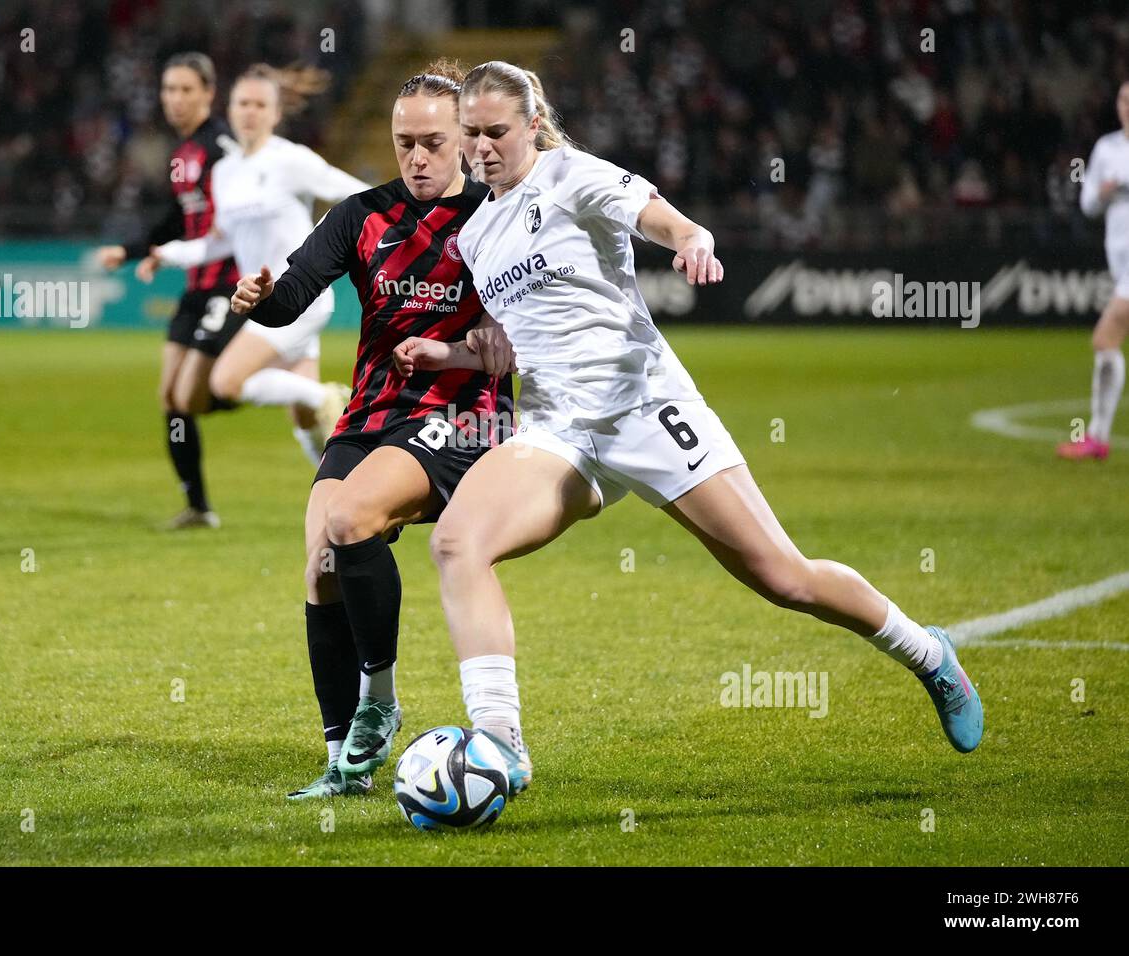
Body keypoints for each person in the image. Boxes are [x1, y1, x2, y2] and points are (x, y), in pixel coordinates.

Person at [395, 61, 984, 796]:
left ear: (533, 126)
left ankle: (929, 655)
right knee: (457, 542)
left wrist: (690, 238)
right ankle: (502, 745)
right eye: (470, 134)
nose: (481, 147)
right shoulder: (479, 233)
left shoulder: (570, 175)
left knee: (783, 577)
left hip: (644, 408)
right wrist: (449, 352)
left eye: (495, 132)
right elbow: (510, 343)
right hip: (559, 430)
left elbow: (655, 212)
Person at [229, 61, 517, 800]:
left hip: (463, 416)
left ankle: (380, 702)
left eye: (432, 142)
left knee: (351, 518)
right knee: (321, 560)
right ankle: (344, 761)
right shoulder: (362, 215)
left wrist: (489, 337)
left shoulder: (497, 216)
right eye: (403, 143)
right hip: (373, 413)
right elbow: (292, 295)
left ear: (463, 141)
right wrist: (257, 300)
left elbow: (528, 320)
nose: (417, 158)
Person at [150, 63, 368, 465]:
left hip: (300, 297)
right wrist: (167, 254)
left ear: (275, 113)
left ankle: (326, 396)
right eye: (243, 103)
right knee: (306, 421)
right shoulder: (225, 171)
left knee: (226, 382)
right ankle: (335, 489)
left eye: (259, 104)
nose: (250, 111)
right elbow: (221, 244)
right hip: (263, 302)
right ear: (229, 108)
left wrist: (330, 238)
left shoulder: (292, 160)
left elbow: (361, 197)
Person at [94, 52, 241, 529]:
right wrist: (133, 249)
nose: (175, 99)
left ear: (207, 93)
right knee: (170, 399)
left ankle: (261, 388)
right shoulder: (181, 155)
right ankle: (198, 506)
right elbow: (178, 219)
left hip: (229, 283)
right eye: (168, 90)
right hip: (194, 286)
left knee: (189, 395)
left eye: (185, 90)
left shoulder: (223, 147)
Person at [1059, 80, 1129, 461]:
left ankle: (1097, 439)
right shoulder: (1106, 148)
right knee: (1107, 342)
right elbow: (1086, 204)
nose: (1127, 106)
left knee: (1105, 339)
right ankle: (1097, 438)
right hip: (1120, 264)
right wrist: (1104, 193)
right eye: (1122, 99)